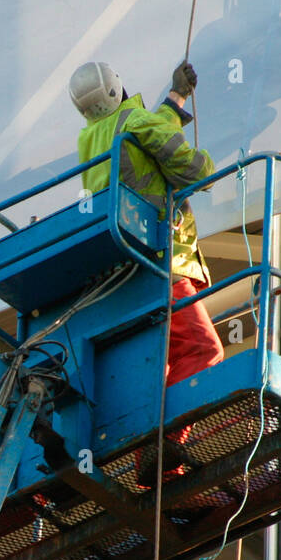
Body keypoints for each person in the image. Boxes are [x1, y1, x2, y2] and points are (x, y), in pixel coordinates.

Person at [68, 60, 224, 387]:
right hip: (160, 260)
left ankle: (160, 431)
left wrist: (176, 98)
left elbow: (149, 130)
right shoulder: (133, 121)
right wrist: (208, 165)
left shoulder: (91, 139)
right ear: (116, 85)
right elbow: (196, 172)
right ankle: (172, 437)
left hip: (123, 266)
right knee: (202, 350)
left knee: (157, 360)